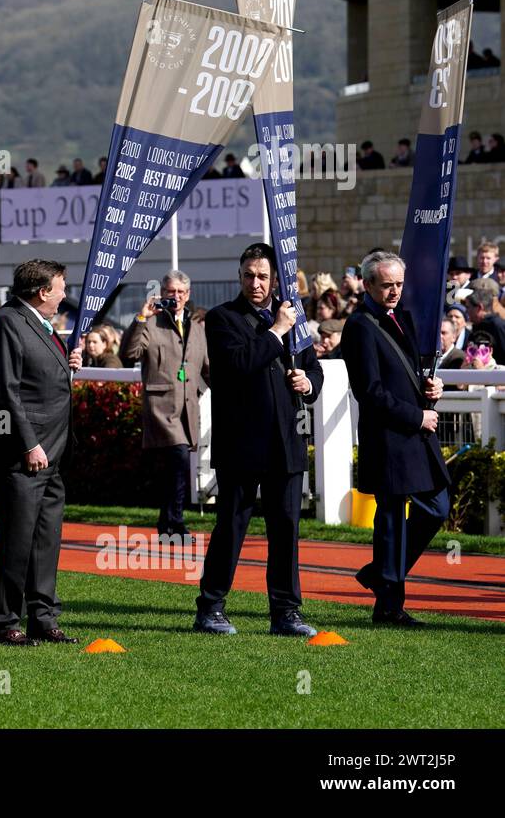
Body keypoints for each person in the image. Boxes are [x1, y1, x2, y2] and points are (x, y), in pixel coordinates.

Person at [195, 243, 323, 636]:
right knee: (232, 526)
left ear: (275, 280)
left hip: (287, 440)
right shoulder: (222, 319)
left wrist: (308, 382)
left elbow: (314, 370)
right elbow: (237, 365)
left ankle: (286, 612)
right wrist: (277, 330)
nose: (255, 283)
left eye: (263, 276)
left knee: (286, 528)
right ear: (239, 277)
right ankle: (210, 607)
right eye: (249, 275)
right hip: (242, 442)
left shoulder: (293, 319)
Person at [341, 251, 449, 626]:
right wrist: (417, 416)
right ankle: (388, 608)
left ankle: (380, 574)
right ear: (368, 284)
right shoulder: (358, 326)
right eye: (387, 285)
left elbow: (407, 376)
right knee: (391, 520)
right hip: (389, 438)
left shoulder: (402, 317)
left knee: (438, 507)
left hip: (414, 435)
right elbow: (369, 391)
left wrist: (429, 390)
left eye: (399, 284)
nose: (395, 292)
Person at [0, 259, 82, 646]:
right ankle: (5, 622)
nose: (64, 295)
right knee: (17, 539)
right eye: (61, 288)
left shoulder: (40, 325)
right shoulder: (8, 323)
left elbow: (40, 379)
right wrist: (28, 443)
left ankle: (44, 617)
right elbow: (5, 391)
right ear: (42, 291)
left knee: (46, 539)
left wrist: (68, 365)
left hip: (53, 454)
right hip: (24, 454)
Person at [121, 270, 211, 536]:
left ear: (188, 295)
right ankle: (177, 521)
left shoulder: (196, 329)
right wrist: (140, 318)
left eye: (181, 292)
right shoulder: (151, 324)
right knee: (179, 460)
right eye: (171, 292)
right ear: (162, 293)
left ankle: (166, 523)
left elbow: (208, 370)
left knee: (174, 468)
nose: (177, 297)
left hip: (187, 409)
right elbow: (129, 353)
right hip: (162, 409)